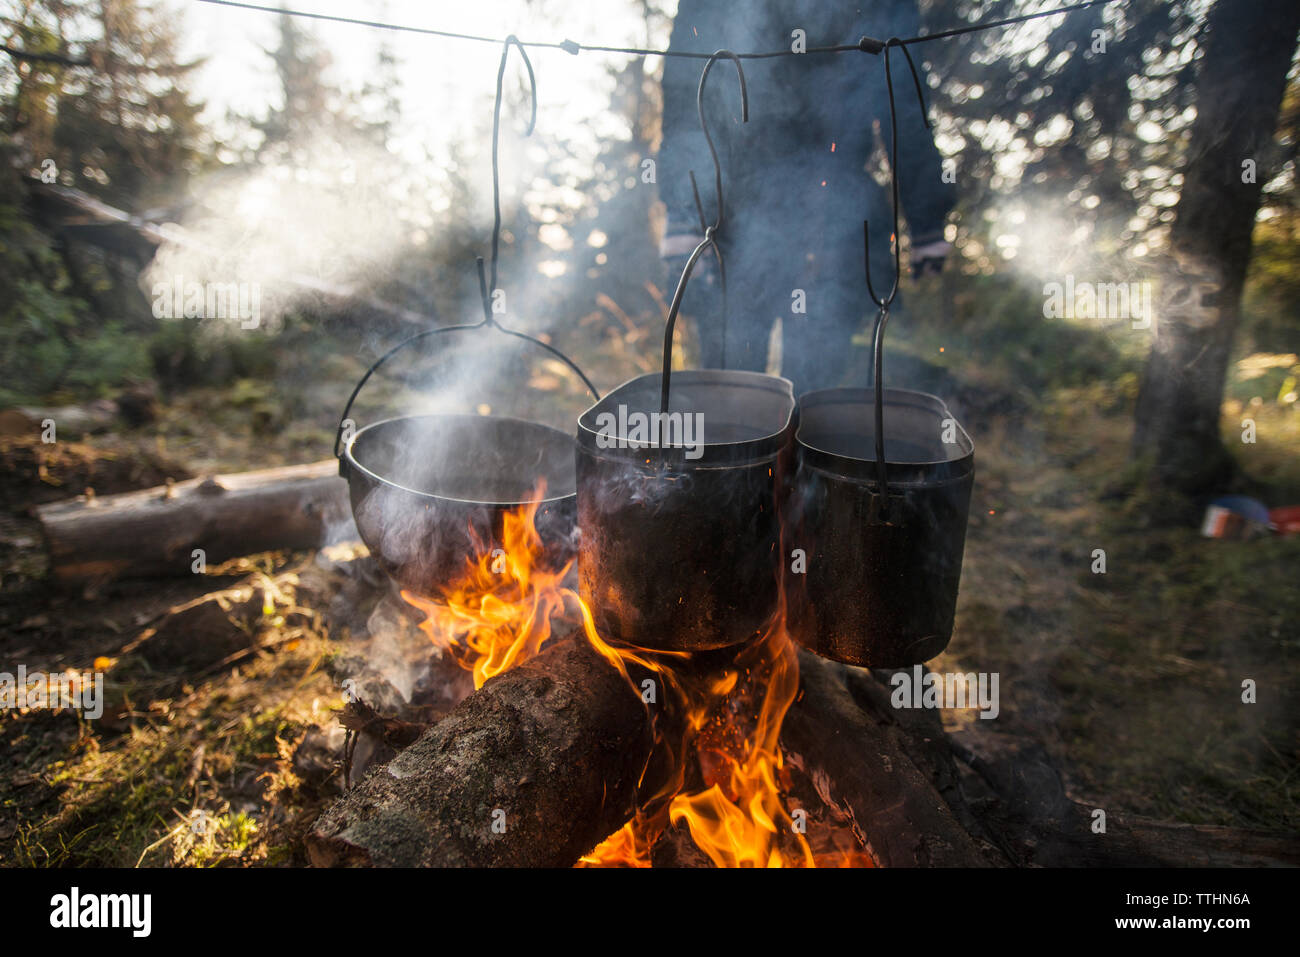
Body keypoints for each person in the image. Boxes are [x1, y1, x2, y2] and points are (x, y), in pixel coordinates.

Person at [658, 0, 955, 397]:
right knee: (728, 390)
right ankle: (737, 455)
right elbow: (687, 76)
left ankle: (799, 456)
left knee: (817, 397)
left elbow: (902, 89)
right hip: (733, 208)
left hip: (835, 213)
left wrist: (927, 216)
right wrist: (685, 212)